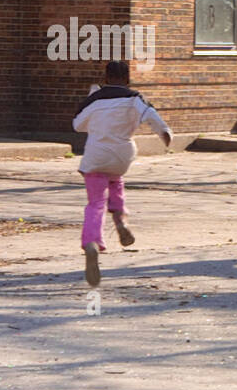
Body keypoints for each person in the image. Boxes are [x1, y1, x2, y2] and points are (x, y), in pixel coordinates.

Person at [73, 61, 172, 286]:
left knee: (96, 202)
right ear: (127, 78)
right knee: (115, 180)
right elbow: (152, 117)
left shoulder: (95, 100)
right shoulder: (134, 98)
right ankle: (120, 220)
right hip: (122, 156)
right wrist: (165, 134)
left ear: (106, 77)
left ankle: (92, 242)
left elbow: (78, 125)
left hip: (96, 155)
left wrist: (97, 118)